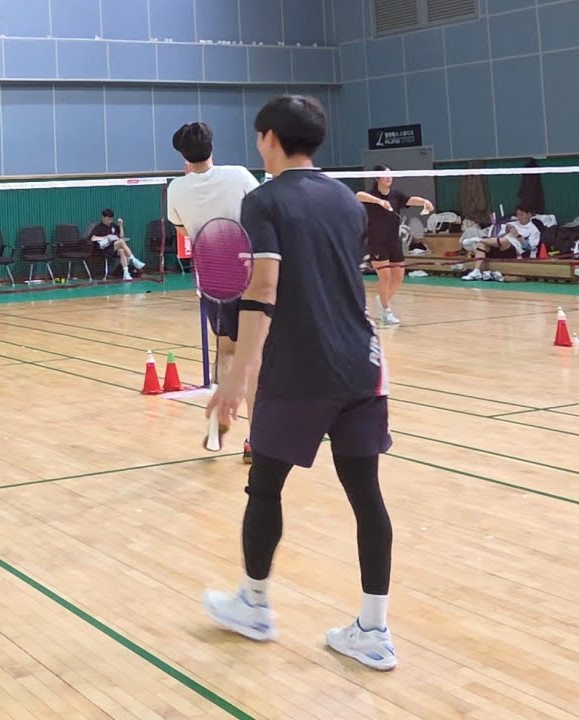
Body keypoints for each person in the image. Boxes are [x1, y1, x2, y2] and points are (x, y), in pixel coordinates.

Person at [202, 95, 397, 672]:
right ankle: (374, 630)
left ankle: (254, 605)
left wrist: (238, 375)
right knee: (367, 496)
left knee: (265, 487)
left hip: (299, 370)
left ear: (269, 138)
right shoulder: (346, 199)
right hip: (363, 364)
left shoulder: (263, 200)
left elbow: (263, 287)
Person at [165, 121, 261, 463]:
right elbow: (262, 209)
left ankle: (217, 422)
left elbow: (182, 229)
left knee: (226, 350)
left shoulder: (176, 188)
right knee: (254, 355)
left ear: (182, 155)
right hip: (249, 270)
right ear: (212, 146)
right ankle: (256, 438)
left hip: (212, 276)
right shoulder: (239, 175)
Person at [356, 166, 434, 326]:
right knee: (385, 276)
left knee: (398, 277)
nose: (388, 177)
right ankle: (386, 311)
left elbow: (410, 200)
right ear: (377, 178)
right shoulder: (371, 195)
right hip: (377, 241)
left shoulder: (396, 195)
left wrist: (424, 202)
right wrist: (379, 201)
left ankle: (382, 300)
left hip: (394, 241)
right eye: (385, 175)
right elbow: (358, 195)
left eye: (390, 175)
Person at [461, 206, 540, 281]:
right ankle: (476, 271)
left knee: (506, 240)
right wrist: (506, 231)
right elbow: (498, 236)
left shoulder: (534, 230)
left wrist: (518, 235)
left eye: (521, 214)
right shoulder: (513, 224)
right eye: (518, 215)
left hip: (516, 251)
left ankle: (478, 239)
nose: (519, 217)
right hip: (501, 246)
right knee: (483, 245)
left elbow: (529, 247)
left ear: (529, 214)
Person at [86, 210, 146, 280]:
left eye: (111, 219)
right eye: (108, 219)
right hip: (103, 250)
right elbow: (92, 238)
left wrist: (120, 225)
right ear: (103, 218)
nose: (110, 221)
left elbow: (121, 236)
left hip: (113, 249)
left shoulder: (113, 226)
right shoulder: (98, 227)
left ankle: (126, 273)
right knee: (121, 242)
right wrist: (105, 237)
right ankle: (134, 260)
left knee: (121, 250)